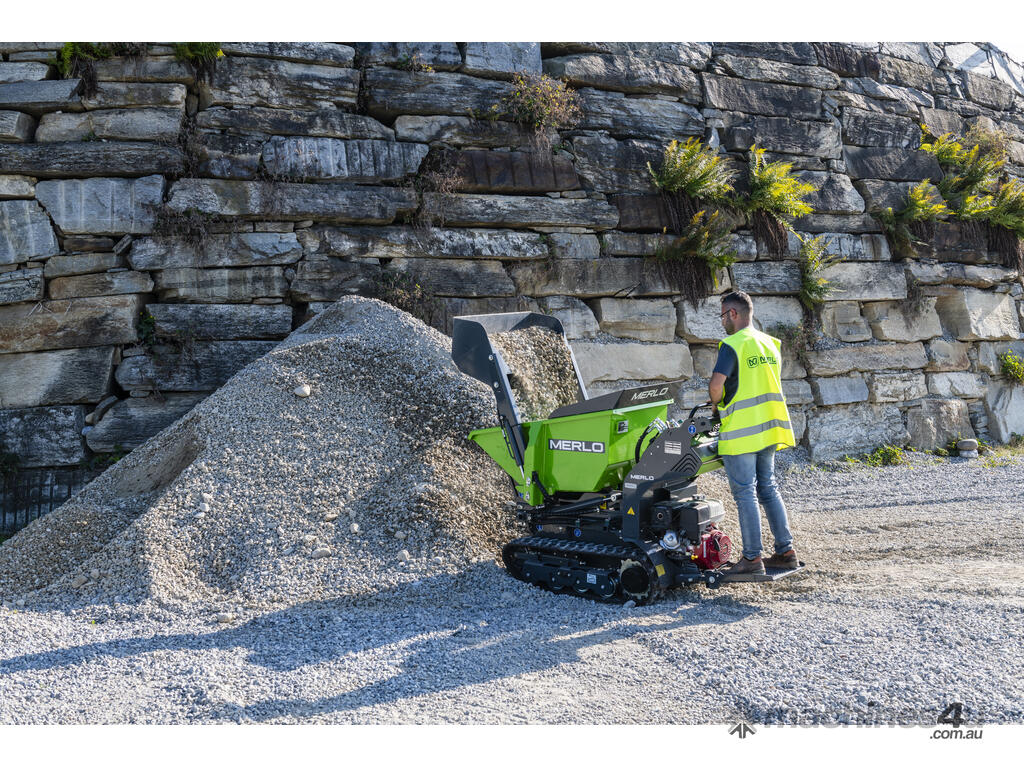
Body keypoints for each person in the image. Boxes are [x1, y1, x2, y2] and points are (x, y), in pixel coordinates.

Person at [708, 290, 799, 577]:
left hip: (741, 432)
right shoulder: (770, 343)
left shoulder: (732, 344)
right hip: (769, 428)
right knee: (768, 488)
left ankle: (751, 558)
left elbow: (715, 385)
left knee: (745, 493)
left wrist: (717, 405)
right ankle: (786, 552)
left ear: (733, 314)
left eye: (723, 315)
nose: (723, 321)